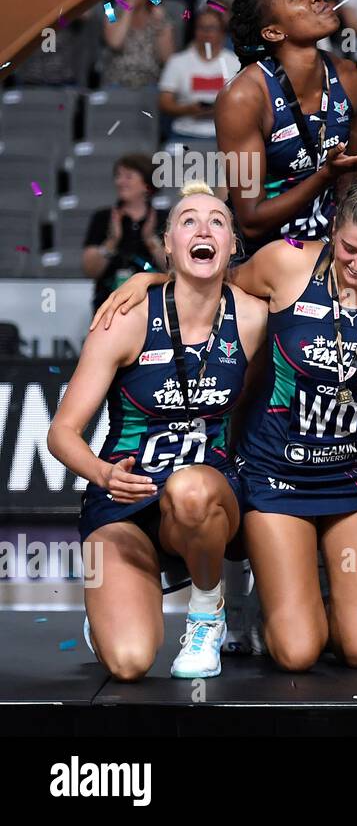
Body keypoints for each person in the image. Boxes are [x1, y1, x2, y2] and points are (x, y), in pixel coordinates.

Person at [92, 164, 357, 671]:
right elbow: (210, 284)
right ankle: (272, 600)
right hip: (277, 471)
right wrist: (154, 277)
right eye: (349, 249)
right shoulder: (285, 262)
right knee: (297, 653)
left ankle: (320, 587)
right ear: (333, 229)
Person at [50, 183, 268, 681]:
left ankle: (208, 613)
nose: (204, 229)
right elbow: (61, 432)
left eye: (217, 221)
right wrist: (104, 474)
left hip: (207, 496)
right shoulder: (126, 318)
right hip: (125, 499)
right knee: (128, 662)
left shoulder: (254, 317)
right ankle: (110, 613)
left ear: (233, 246)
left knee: (191, 488)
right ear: (167, 244)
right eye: (188, 221)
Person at [220, 0, 357, 254]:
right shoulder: (243, 96)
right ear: (274, 32)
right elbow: (251, 220)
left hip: (329, 251)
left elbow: (348, 182)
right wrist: (326, 174)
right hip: (262, 255)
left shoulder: (347, 75)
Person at [82, 154, 168, 310]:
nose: (120, 182)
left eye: (128, 177)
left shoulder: (164, 218)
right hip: (109, 303)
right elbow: (90, 269)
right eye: (118, 176)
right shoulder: (103, 218)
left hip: (154, 305)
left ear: (146, 184)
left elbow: (173, 268)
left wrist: (150, 240)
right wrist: (112, 241)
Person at [159, 9, 240, 150]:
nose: (206, 33)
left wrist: (221, 110)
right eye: (202, 28)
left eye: (212, 28)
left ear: (222, 33)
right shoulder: (177, 62)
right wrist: (188, 109)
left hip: (224, 135)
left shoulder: (236, 63)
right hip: (184, 134)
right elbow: (164, 102)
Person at [101, 0, 175, 89]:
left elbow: (167, 59)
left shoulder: (159, 16)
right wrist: (127, 8)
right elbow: (115, 43)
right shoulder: (111, 10)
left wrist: (160, 24)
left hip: (150, 85)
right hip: (116, 84)